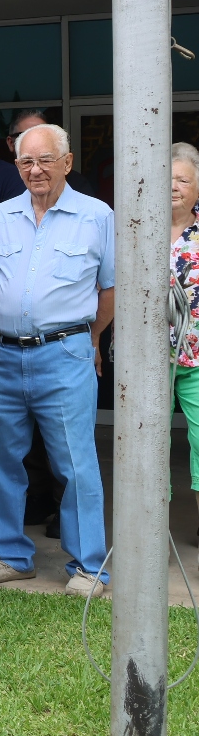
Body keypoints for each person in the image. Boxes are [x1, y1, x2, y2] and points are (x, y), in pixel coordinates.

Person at [0, 123, 114, 595]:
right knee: (2, 462)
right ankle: (13, 555)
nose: (35, 170)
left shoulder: (97, 216)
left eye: (45, 160)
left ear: (67, 163)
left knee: (75, 463)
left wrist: (89, 341)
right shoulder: (1, 216)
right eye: (26, 162)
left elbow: (109, 290)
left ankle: (89, 566)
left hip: (65, 354)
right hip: (4, 355)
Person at [170, 144, 199, 535]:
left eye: (183, 179)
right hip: (148, 361)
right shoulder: (137, 227)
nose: (173, 187)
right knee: (148, 449)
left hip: (198, 359)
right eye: (167, 178)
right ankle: (150, 532)